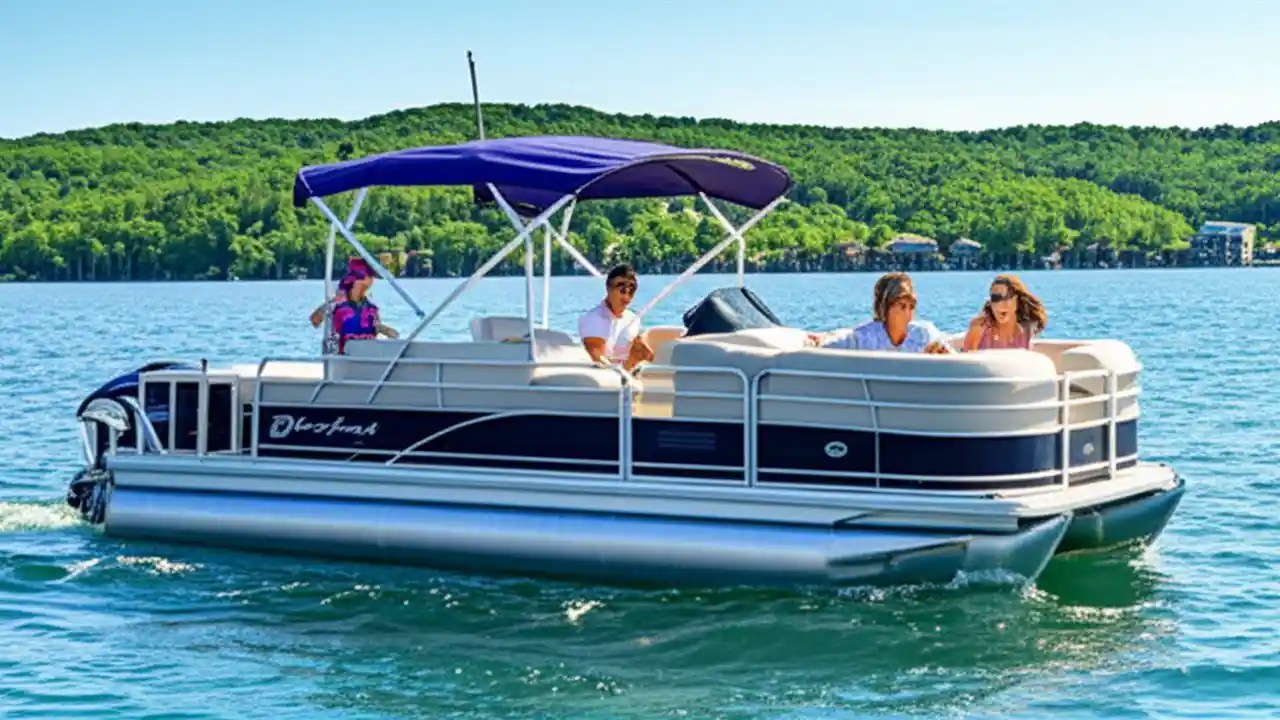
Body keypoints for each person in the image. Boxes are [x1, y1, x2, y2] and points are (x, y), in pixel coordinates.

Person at [807, 272, 951, 354]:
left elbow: (952, 355)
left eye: (912, 307)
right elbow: (830, 345)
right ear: (885, 308)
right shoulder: (864, 338)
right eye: (902, 307)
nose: (908, 313)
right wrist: (820, 340)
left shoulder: (924, 334)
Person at [578, 263, 654, 371]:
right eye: (621, 287)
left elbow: (646, 355)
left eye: (632, 288)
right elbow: (598, 360)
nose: (627, 293)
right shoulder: (593, 319)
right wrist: (629, 362)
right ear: (608, 288)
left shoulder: (633, 319)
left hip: (632, 376)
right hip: (606, 381)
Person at [331, 258, 399, 354]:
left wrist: (381, 328)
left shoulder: (371, 309)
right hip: (346, 358)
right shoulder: (338, 305)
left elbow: (391, 333)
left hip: (366, 356)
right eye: (369, 277)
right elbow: (315, 321)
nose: (371, 281)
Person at [962, 274, 1047, 351]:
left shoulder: (1028, 328)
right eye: (995, 298)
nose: (1000, 304)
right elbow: (965, 360)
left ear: (1017, 300)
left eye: (1006, 297)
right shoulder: (980, 327)